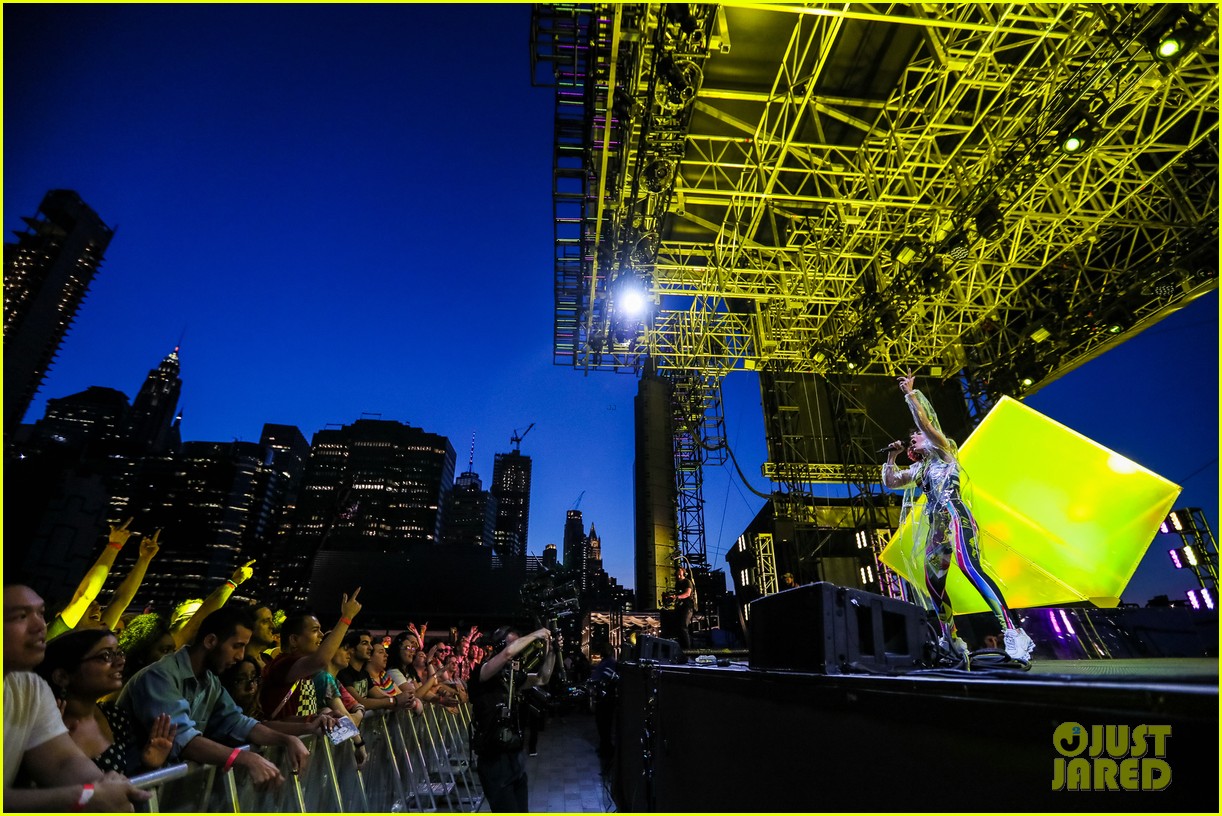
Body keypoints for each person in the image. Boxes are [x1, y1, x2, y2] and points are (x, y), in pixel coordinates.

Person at [881, 372, 1035, 664]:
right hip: (938, 526)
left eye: (914, 435)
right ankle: (950, 640)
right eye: (911, 438)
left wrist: (910, 394)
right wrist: (892, 456)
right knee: (933, 581)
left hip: (956, 516)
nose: (912, 437)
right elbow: (891, 481)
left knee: (969, 566)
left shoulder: (944, 452)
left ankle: (1013, 631)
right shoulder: (921, 469)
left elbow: (927, 424)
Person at [117, 605, 309, 785]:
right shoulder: (159, 677)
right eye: (236, 646)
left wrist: (286, 739)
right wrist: (244, 758)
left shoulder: (210, 680)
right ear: (210, 641)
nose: (241, 656)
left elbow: (237, 722)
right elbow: (184, 740)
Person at [4, 583, 151, 812]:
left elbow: (62, 762)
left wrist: (105, 787)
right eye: (21, 616)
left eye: (41, 613)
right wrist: (85, 797)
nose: (39, 626)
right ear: (62, 676)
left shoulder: (30, 687)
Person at [35, 628, 177, 775]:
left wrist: (148, 766)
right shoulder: (40, 724)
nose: (121, 661)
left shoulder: (115, 717)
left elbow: (121, 787)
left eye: (119, 653)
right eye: (106, 655)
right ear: (62, 676)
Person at [468, 626, 556, 811]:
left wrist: (551, 650)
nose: (518, 648)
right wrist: (534, 635)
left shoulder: (512, 677)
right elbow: (508, 653)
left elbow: (543, 678)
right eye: (514, 643)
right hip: (493, 760)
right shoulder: (482, 672)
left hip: (515, 756)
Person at [588, 642, 620, 764]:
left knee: (605, 724)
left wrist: (596, 682)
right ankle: (604, 747)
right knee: (602, 724)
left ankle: (606, 748)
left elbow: (608, 677)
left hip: (606, 699)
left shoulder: (610, 662)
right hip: (602, 698)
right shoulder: (606, 662)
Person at [673, 566, 694, 650]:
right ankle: (681, 648)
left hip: (687, 607)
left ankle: (687, 650)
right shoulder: (677, 584)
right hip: (680, 607)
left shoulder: (687, 582)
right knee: (679, 628)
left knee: (683, 627)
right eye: (677, 575)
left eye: (680, 575)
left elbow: (687, 594)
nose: (678, 577)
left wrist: (677, 597)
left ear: (684, 574)